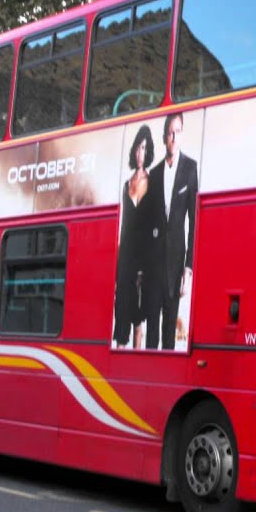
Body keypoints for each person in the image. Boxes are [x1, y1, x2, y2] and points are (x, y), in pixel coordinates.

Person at [146, 112, 197, 350]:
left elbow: (194, 220)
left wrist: (189, 267)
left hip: (176, 265)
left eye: (178, 131)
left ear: (182, 134)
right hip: (153, 264)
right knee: (151, 332)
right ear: (164, 136)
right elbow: (143, 227)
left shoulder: (190, 168)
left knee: (169, 330)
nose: (174, 136)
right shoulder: (153, 175)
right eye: (170, 132)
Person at [113, 125, 156, 348]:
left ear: (148, 153)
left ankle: (137, 357)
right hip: (126, 251)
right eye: (138, 148)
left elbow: (154, 223)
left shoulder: (154, 182)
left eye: (145, 148)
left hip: (143, 253)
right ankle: (120, 348)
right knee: (122, 305)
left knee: (138, 314)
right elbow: (124, 224)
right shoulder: (125, 185)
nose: (141, 153)